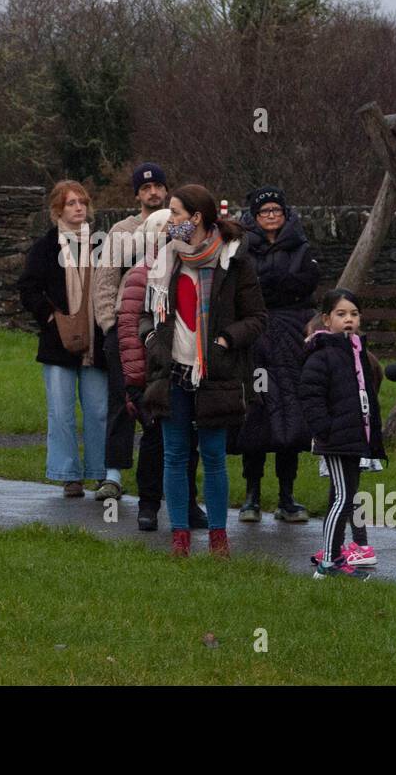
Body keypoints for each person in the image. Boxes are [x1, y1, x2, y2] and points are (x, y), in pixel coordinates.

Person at [139, 184, 267, 557]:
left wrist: (225, 340)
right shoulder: (165, 259)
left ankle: (217, 538)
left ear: (195, 218)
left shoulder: (233, 260)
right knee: (175, 455)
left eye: (176, 213)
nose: (170, 219)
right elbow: (146, 314)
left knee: (212, 455)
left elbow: (258, 318)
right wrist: (151, 343)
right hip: (171, 371)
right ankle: (179, 537)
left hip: (216, 372)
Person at [113, 208, 205, 531]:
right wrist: (136, 381)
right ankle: (148, 505)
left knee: (188, 443)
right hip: (153, 373)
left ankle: (189, 504)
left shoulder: (194, 267)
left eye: (176, 223)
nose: (173, 229)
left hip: (185, 369)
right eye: (166, 226)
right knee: (154, 440)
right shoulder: (142, 273)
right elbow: (128, 331)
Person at [18, 180, 111, 497]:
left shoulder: (101, 243)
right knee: (61, 411)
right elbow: (28, 287)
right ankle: (69, 474)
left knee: (98, 409)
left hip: (97, 340)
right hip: (58, 341)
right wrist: (49, 318)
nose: (78, 208)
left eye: (82, 202)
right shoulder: (45, 247)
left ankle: (100, 472)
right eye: (71, 203)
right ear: (58, 209)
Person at [234, 186, 319, 524]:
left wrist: (269, 286)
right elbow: (245, 287)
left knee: (290, 418)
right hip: (255, 340)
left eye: (276, 210)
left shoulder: (301, 247)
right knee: (254, 415)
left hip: (290, 339)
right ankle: (251, 495)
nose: (271, 216)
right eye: (264, 211)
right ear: (254, 217)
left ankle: (287, 495)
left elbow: (306, 282)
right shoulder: (242, 249)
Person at [92, 162, 168, 503]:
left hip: (165, 327)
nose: (153, 192)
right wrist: (110, 325)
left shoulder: (177, 226)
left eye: (158, 187)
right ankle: (112, 475)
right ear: (137, 194)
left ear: (166, 190)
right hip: (125, 327)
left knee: (164, 402)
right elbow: (106, 279)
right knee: (121, 401)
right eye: (145, 188)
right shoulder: (122, 230)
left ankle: (164, 475)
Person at [298, 290, 386, 579]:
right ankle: (329, 563)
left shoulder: (357, 353)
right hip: (336, 439)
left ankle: (335, 558)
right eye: (341, 314)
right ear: (326, 319)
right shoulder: (322, 354)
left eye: (353, 314)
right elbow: (310, 398)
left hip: (354, 438)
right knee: (343, 498)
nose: (349, 319)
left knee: (345, 496)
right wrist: (326, 431)